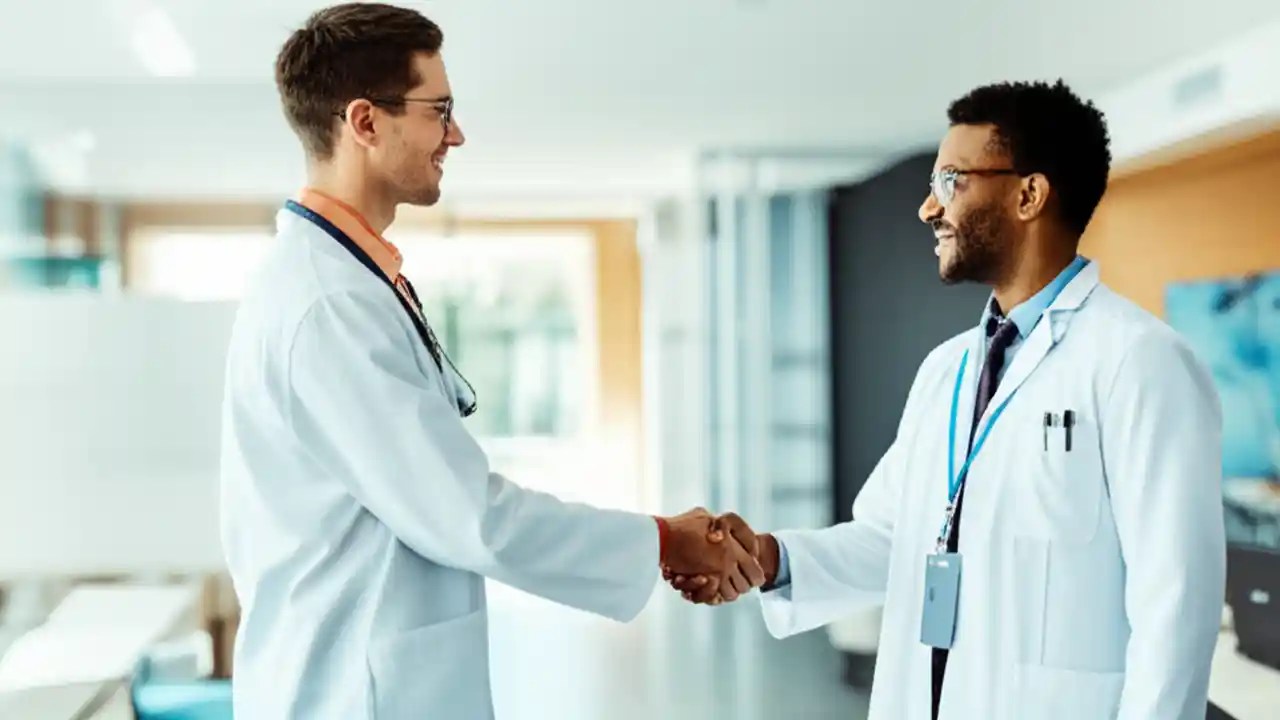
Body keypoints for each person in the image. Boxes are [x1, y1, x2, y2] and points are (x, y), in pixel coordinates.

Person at [218, 4, 763, 719]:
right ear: (365, 122)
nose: (456, 133)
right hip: (350, 690)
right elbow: (468, 515)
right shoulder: (327, 305)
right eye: (438, 109)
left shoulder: (347, 281)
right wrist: (664, 540)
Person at [669, 80, 1226, 720]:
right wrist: (769, 559)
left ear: (1028, 194)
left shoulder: (1141, 361)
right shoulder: (949, 369)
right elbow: (891, 537)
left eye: (950, 182)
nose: (928, 211)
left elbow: (1175, 605)